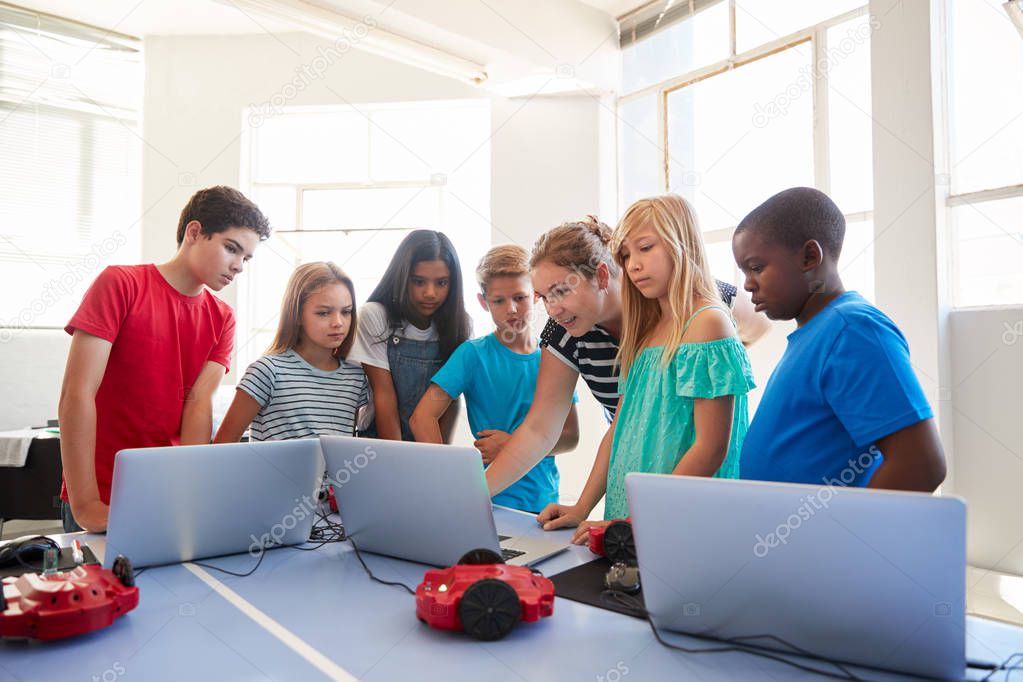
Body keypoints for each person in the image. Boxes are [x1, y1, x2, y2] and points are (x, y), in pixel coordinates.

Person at [483, 216, 768, 499]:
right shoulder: (563, 330)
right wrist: (475, 495)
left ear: (602, 276)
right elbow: (539, 428)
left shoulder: (683, 298)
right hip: (638, 462)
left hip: (704, 472)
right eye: (544, 297)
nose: (552, 309)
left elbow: (758, 324)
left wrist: (708, 360)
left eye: (561, 291)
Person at [538, 195, 754, 541]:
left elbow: (711, 448)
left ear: (681, 243)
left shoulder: (708, 323)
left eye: (645, 248)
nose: (633, 264)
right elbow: (618, 429)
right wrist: (582, 507)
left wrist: (636, 521)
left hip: (680, 524)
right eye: (625, 255)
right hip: (633, 522)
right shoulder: (647, 330)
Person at [57, 186, 270, 532]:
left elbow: (198, 404)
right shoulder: (120, 284)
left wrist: (191, 493)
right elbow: (76, 394)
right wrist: (86, 505)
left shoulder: (224, 318)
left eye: (246, 258)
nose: (239, 266)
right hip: (100, 495)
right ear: (194, 232)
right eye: (232, 248)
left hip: (167, 496)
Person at [732, 187, 945, 491]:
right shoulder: (814, 333)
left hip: (825, 538)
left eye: (756, 267)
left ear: (809, 256)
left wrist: (847, 535)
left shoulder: (853, 329)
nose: (748, 284)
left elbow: (921, 464)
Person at [410, 245, 580, 513]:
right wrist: (446, 476)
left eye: (520, 298)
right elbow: (421, 418)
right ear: (483, 302)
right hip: (489, 501)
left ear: (535, 295)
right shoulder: (472, 354)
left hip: (544, 503)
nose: (511, 309)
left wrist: (511, 446)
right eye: (499, 301)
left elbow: (570, 436)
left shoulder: (555, 358)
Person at [213, 262, 367, 444]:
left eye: (346, 312)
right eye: (324, 313)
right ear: (297, 314)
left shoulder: (356, 378)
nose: (338, 322)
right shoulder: (267, 372)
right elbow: (223, 446)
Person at [347, 230, 471, 442]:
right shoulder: (375, 315)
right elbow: (384, 394)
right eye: (418, 281)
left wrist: (440, 458)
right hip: (380, 444)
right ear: (402, 277)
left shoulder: (460, 324)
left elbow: (450, 398)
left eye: (441, 283)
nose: (430, 293)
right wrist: (399, 460)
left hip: (430, 446)